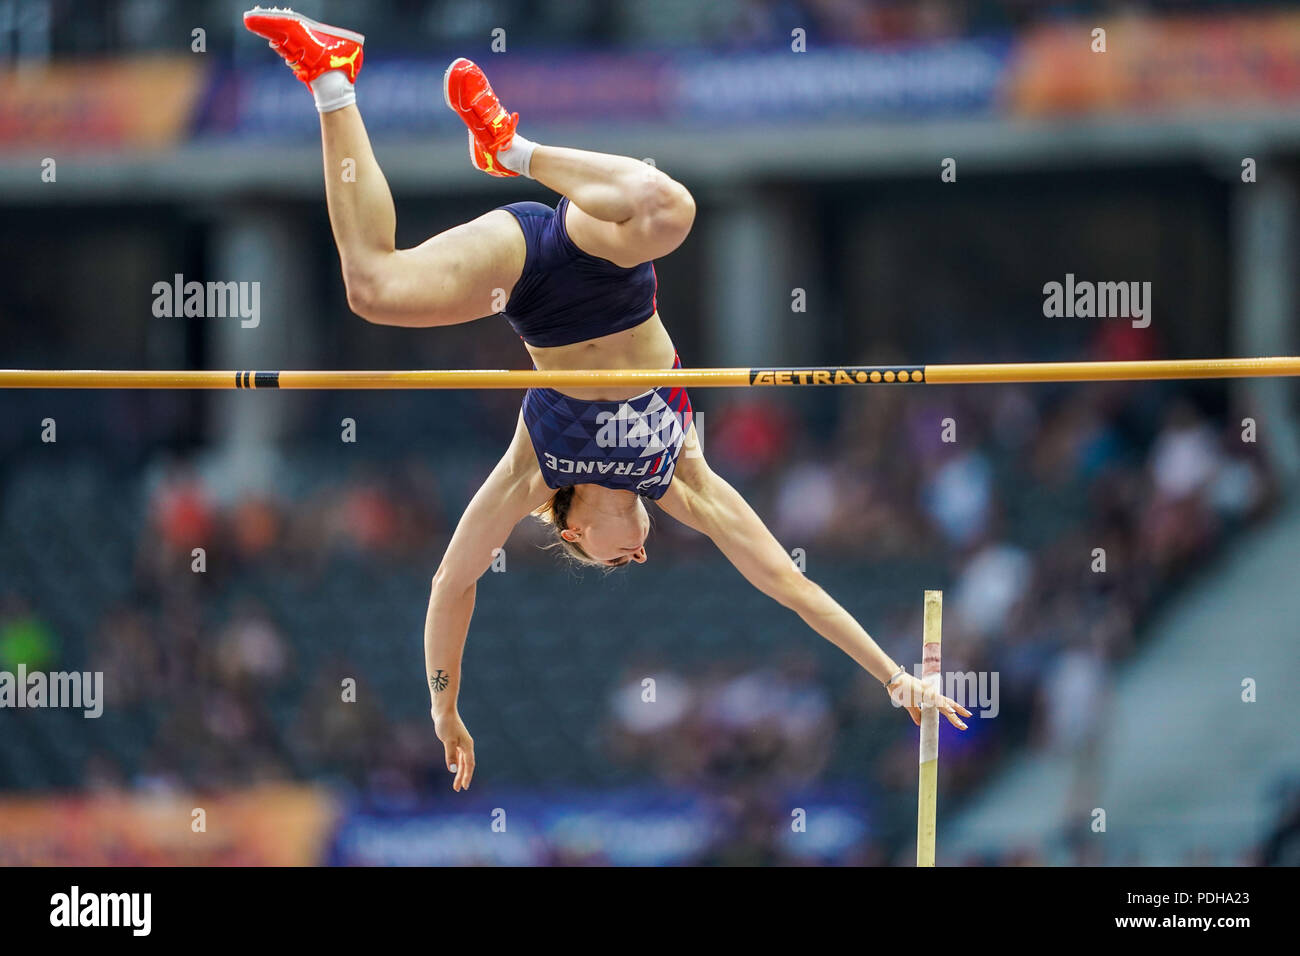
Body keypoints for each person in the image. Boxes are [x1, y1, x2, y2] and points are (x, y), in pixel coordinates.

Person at [244, 7, 971, 792]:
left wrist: (442, 711)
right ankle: (509, 146)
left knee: (371, 288)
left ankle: (332, 78)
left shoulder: (533, 475)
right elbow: (789, 585)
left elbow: (451, 585)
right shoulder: (679, 475)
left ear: (574, 531)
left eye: (607, 559)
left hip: (528, 274)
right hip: (608, 270)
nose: (639, 554)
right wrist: (895, 677)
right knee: (672, 212)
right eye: (634, 558)